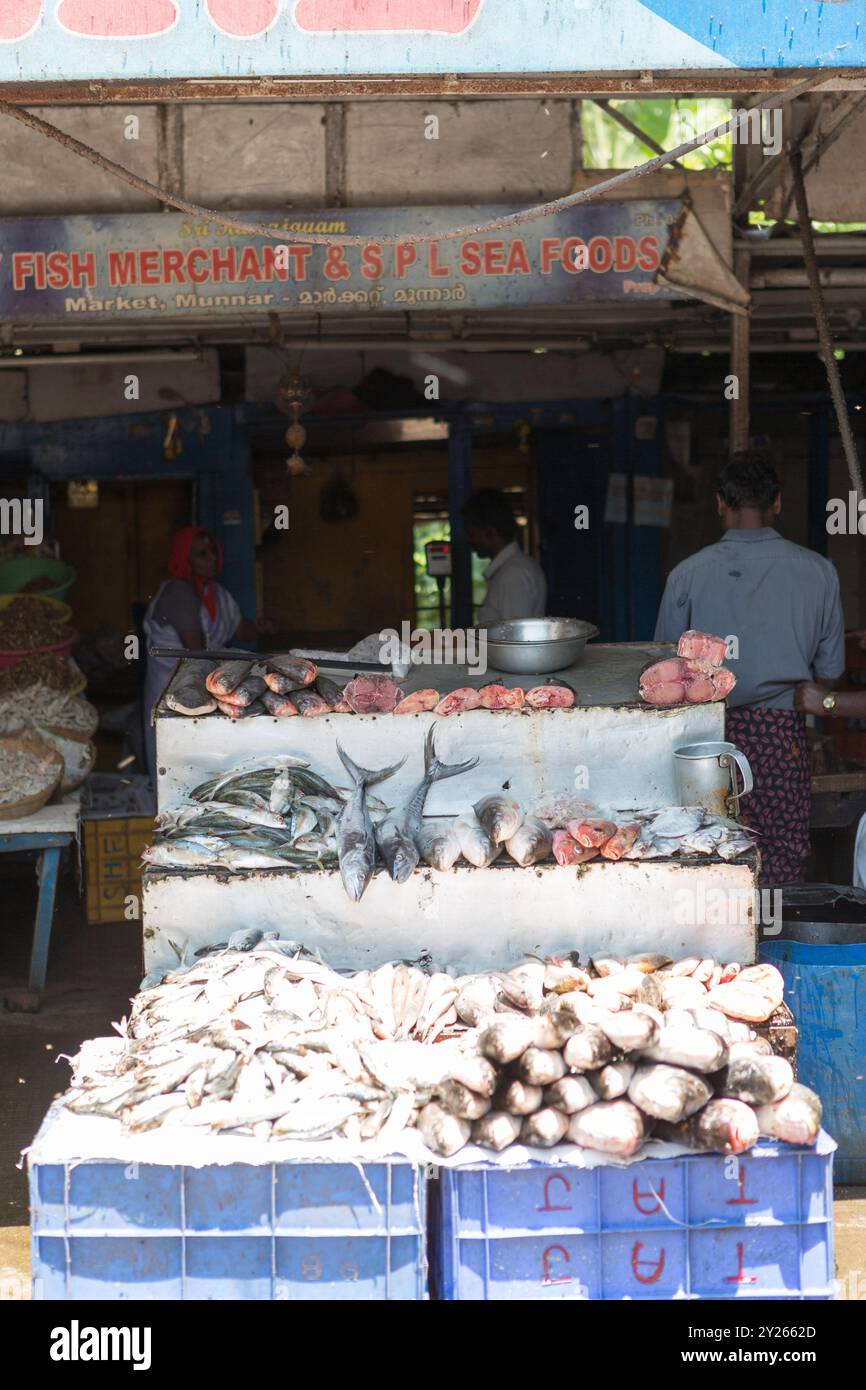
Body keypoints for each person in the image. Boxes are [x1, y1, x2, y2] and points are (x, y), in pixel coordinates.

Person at [654, 452, 845, 884]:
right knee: (780, 858)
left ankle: (717, 948)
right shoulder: (820, 572)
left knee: (706, 854)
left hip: (705, 738)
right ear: (776, 503)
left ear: (721, 503)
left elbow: (665, 672)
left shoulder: (686, 575)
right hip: (781, 736)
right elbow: (830, 673)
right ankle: (772, 945)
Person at [142, 526, 275, 778]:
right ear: (185, 558)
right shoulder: (178, 593)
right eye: (202, 554)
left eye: (212, 551)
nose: (212, 558)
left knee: (202, 761)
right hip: (171, 686)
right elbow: (198, 652)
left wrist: (260, 628)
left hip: (204, 681)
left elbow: (241, 630)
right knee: (173, 760)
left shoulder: (215, 593)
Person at [462, 489, 547, 624]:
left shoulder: (513, 574)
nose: (469, 541)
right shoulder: (512, 569)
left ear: (490, 532)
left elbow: (514, 639)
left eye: (472, 534)